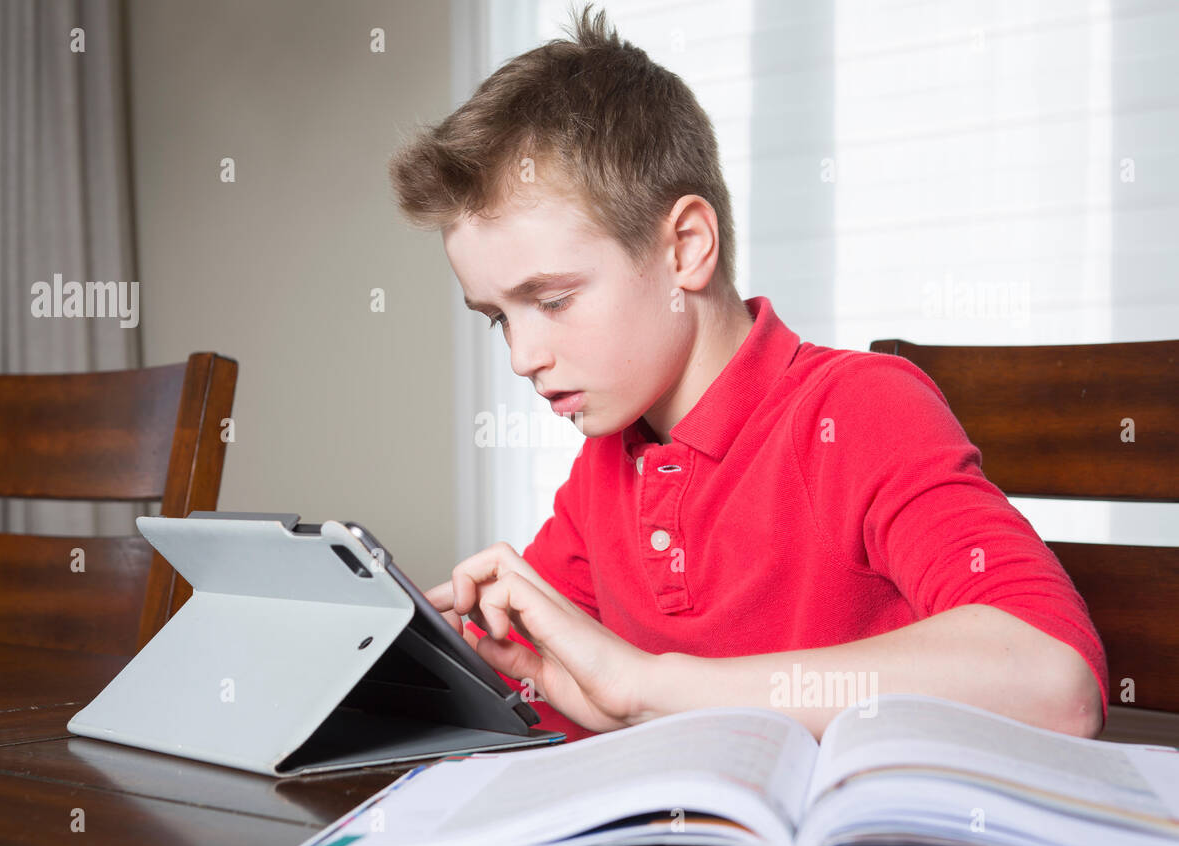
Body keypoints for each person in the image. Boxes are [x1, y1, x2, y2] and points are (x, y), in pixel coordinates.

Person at [389, 4, 1106, 741]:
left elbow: (1056, 682)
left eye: (554, 298)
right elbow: (531, 697)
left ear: (686, 248)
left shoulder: (859, 410)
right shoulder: (607, 468)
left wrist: (653, 687)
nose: (521, 357)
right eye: (499, 317)